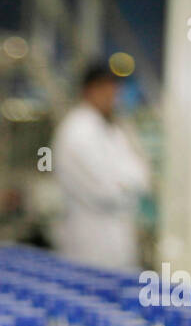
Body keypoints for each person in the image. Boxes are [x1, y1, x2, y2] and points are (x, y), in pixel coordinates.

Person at [50, 63, 150, 270]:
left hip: (118, 244)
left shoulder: (110, 129)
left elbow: (142, 177)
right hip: (89, 247)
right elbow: (105, 192)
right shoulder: (77, 132)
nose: (112, 94)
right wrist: (128, 186)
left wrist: (126, 185)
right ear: (88, 90)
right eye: (104, 87)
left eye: (114, 87)